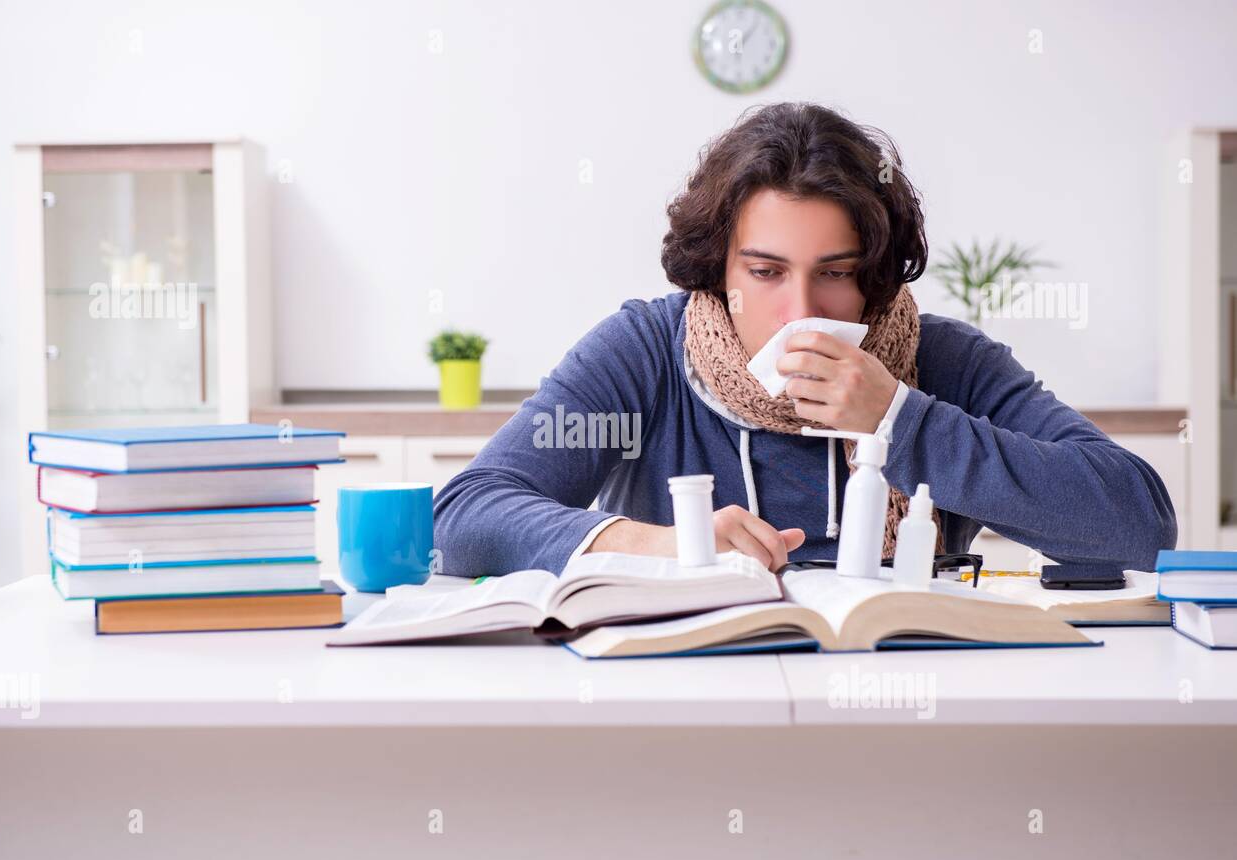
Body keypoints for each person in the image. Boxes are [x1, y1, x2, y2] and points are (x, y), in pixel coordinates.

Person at [434, 102, 1177, 576]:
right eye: (765, 272)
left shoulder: (942, 360)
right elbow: (465, 516)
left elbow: (1141, 527)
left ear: (875, 278)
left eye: (835, 273)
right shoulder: (645, 354)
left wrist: (898, 417)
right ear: (716, 269)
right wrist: (669, 544)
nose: (799, 311)